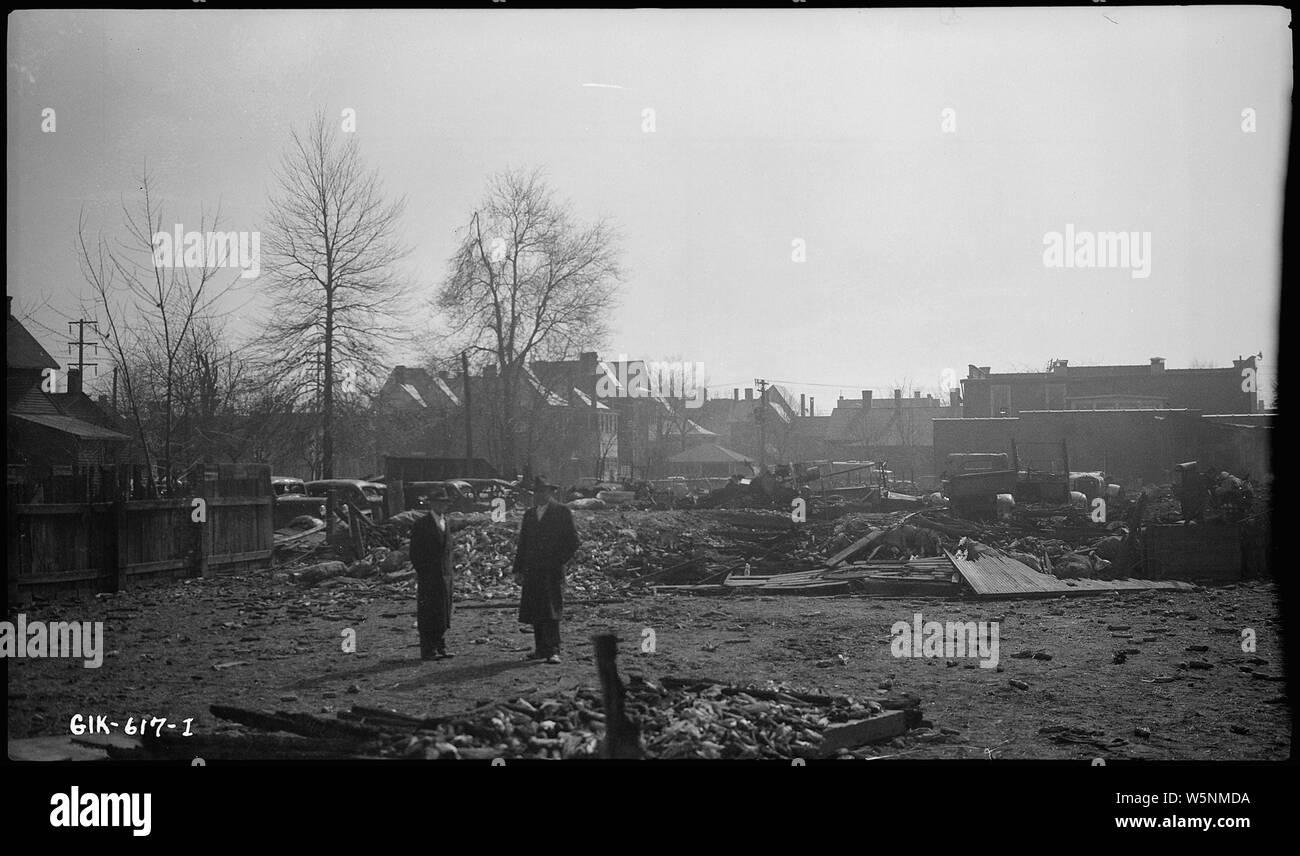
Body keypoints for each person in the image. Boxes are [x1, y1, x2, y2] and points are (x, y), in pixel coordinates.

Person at [513, 476, 580, 664]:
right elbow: (523, 544)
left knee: (551, 611)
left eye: (543, 491)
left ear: (551, 492)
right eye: (536, 491)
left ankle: (553, 650)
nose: (539, 495)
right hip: (532, 571)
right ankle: (540, 649)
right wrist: (518, 569)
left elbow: (573, 541)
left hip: (551, 571)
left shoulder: (562, 512)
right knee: (536, 611)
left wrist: (558, 561)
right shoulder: (530, 515)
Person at [408, 492, 456, 660]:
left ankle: (440, 646)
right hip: (429, 576)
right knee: (428, 612)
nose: (442, 506)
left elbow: (448, 551)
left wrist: (450, 572)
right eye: (439, 503)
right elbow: (415, 552)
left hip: (445, 576)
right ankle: (428, 650)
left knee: (443, 612)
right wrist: (424, 571)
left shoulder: (446, 522)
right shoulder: (422, 524)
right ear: (432, 504)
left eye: (445, 503)